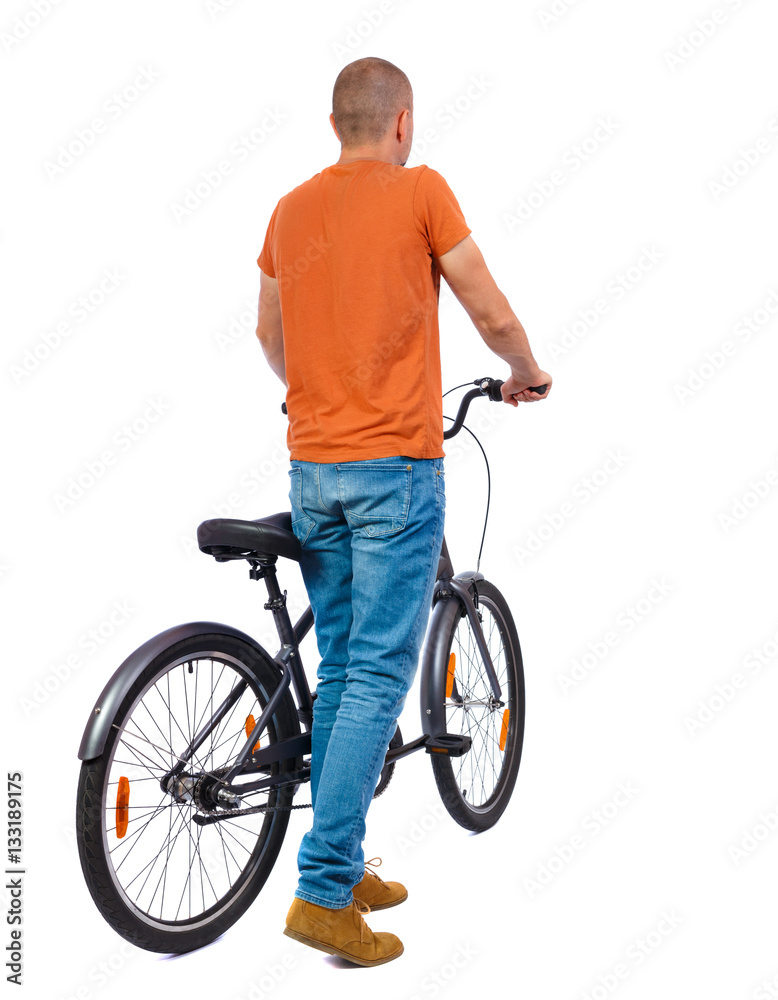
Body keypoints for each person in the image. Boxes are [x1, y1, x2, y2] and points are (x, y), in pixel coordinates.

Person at [255, 56, 551, 967]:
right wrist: (527, 372)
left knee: (345, 669)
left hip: (314, 472)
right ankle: (323, 889)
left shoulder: (291, 210)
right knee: (379, 679)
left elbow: (270, 334)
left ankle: (341, 856)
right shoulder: (421, 191)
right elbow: (489, 310)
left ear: (334, 122)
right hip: (395, 474)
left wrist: (319, 401)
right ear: (401, 123)